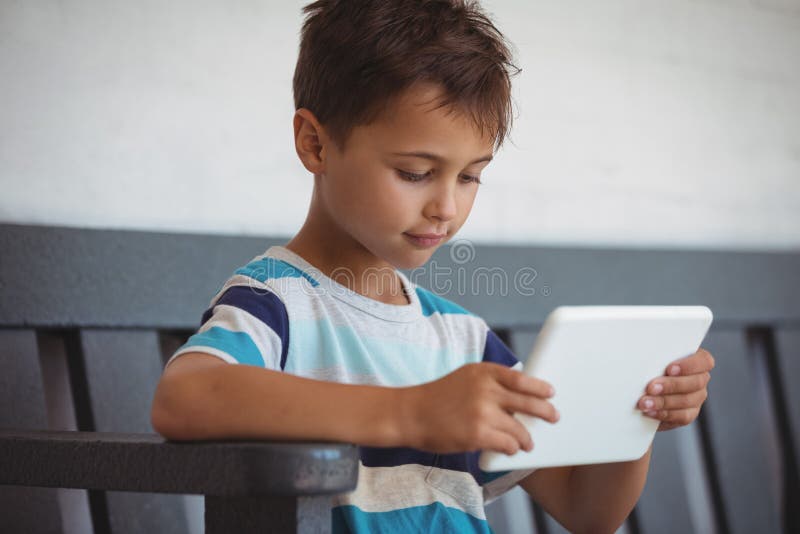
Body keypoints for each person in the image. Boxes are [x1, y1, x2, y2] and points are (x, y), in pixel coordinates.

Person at [150, 1, 716, 532]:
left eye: (470, 176)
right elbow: (185, 398)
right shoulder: (276, 302)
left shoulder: (463, 341)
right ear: (315, 144)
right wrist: (410, 413)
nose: (447, 206)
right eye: (416, 172)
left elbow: (586, 511)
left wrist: (639, 417)